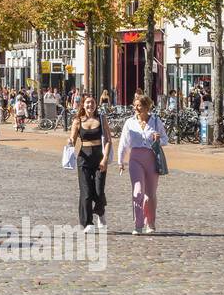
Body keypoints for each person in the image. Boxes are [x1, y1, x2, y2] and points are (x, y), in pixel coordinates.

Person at [117, 93, 168, 235]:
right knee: (138, 191)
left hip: (151, 158)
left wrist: (158, 140)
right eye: (135, 105)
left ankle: (150, 223)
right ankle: (138, 224)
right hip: (135, 159)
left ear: (146, 107)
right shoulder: (129, 122)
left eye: (139, 105)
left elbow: (165, 139)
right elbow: (123, 143)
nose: (136, 108)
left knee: (150, 194)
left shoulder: (156, 121)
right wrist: (120, 161)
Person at [68, 95, 111, 231]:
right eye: (87, 103)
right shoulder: (77, 121)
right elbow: (72, 139)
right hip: (84, 158)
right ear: (83, 105)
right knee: (86, 191)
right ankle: (87, 223)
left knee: (99, 190)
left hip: (99, 157)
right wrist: (69, 143)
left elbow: (109, 140)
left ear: (96, 105)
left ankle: (100, 212)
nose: (90, 105)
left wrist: (105, 159)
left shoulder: (101, 119)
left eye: (92, 102)